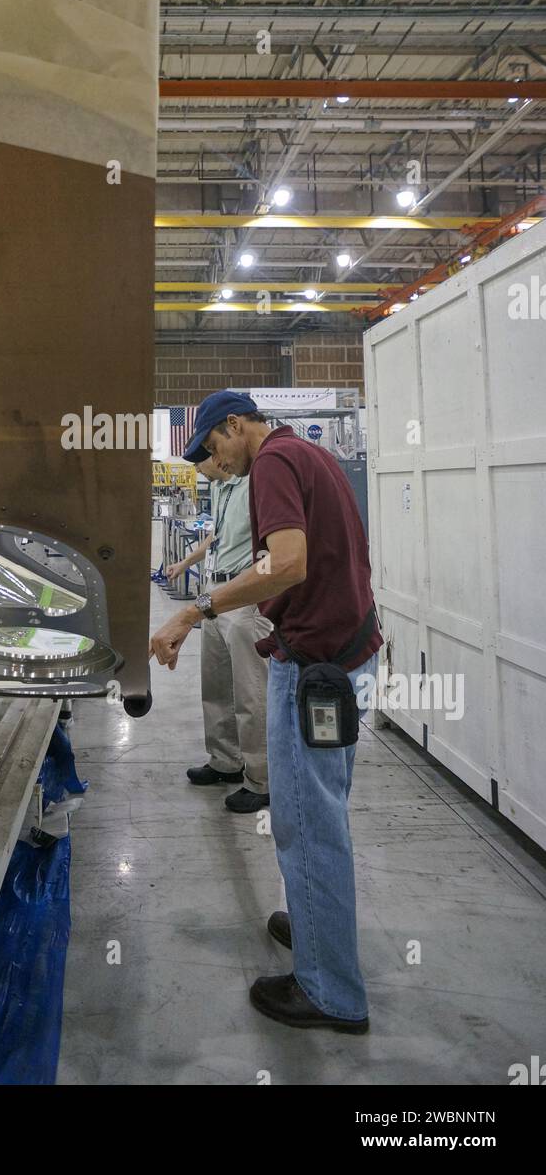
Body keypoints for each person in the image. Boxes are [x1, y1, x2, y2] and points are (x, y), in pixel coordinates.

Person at [149, 389, 382, 1034]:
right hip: (345, 654)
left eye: (213, 447)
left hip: (316, 668)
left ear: (235, 425)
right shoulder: (307, 454)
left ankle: (330, 992)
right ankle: (314, 927)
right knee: (316, 816)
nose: (214, 462)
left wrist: (195, 609)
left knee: (308, 826)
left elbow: (287, 566)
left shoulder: (274, 463)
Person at [165, 455, 272, 812]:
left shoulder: (256, 482)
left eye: (201, 464)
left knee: (251, 691)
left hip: (244, 597)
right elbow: (215, 537)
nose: (197, 472)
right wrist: (185, 563)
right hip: (214, 593)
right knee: (215, 684)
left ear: (216, 458)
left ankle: (261, 778)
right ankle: (225, 760)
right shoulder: (220, 488)